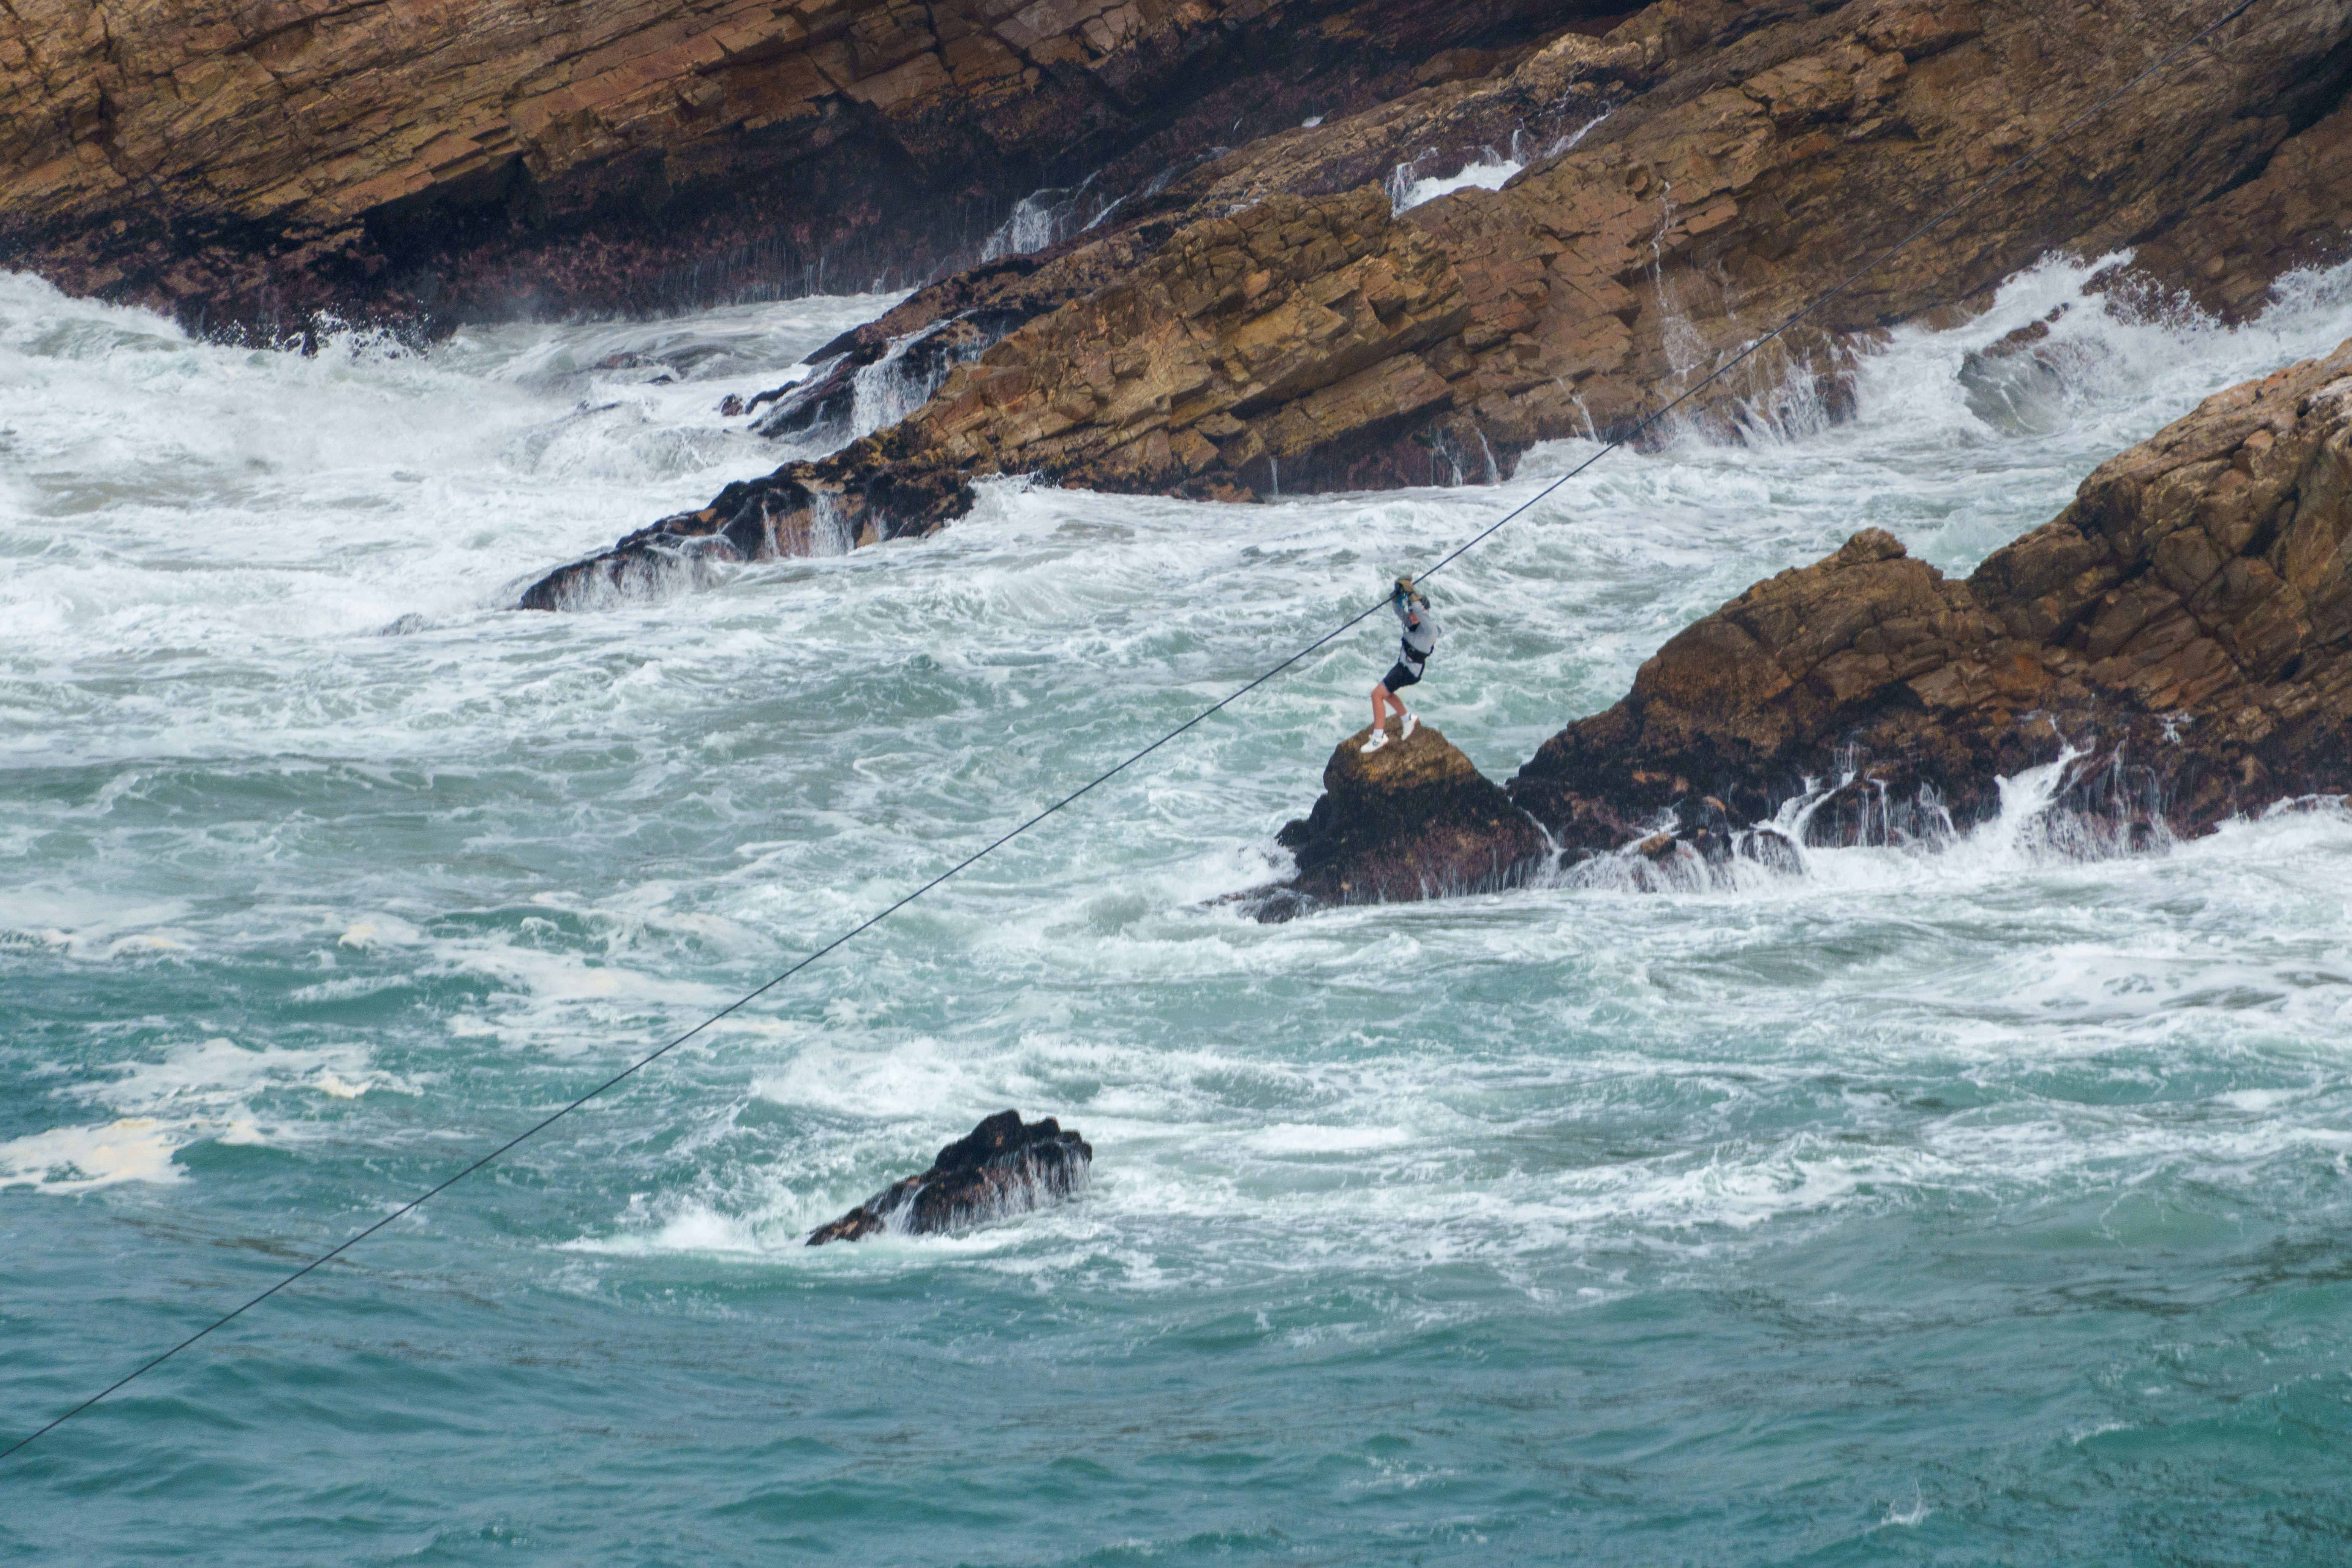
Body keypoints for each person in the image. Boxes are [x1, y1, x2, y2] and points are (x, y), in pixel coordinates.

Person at [1362, 575, 1440, 753]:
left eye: (1415, 612)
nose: (1412, 616)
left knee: (1376, 695)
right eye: (1411, 613)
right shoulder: (1413, 623)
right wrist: (1397, 594)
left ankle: (1378, 738)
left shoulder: (1429, 630)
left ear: (1425, 613)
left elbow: (1419, 611)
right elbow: (1399, 610)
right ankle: (1407, 719)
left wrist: (1412, 594)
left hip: (1409, 672)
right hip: (1402, 667)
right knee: (1386, 693)